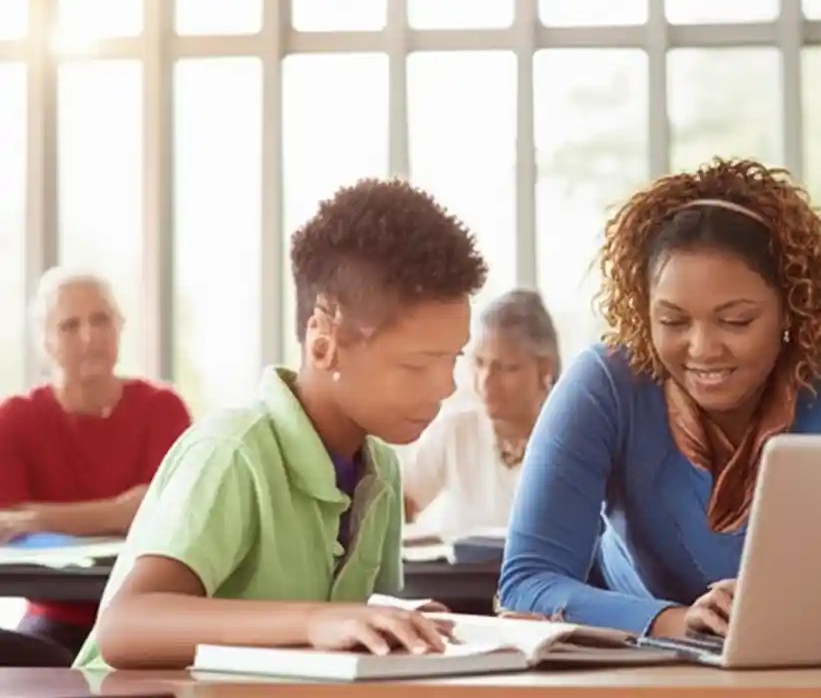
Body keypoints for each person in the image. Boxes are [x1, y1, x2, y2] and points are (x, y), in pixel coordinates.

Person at [72, 178, 488, 669]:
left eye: (453, 359)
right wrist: (314, 622)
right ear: (323, 342)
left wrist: (406, 624)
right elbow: (126, 626)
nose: (446, 387)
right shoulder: (232, 451)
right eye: (417, 366)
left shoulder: (380, 471)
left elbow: (354, 638)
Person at [498, 158, 821, 639]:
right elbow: (527, 583)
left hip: (809, 661)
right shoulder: (607, 382)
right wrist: (677, 622)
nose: (702, 349)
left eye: (736, 321)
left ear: (790, 309)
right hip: (642, 671)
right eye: (673, 321)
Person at [0, 268, 192, 657]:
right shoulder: (15, 419)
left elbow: (159, 511)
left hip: (149, 615)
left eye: (101, 320)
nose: (89, 337)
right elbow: (7, 523)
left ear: (120, 328)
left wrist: (40, 518)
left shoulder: (162, 410)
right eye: (70, 326)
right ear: (45, 342)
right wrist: (118, 510)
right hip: (56, 619)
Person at [402, 289, 560, 540]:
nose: (486, 381)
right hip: (462, 578)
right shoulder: (455, 431)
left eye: (507, 368)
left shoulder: (568, 439)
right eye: (479, 363)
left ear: (545, 369)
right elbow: (398, 506)